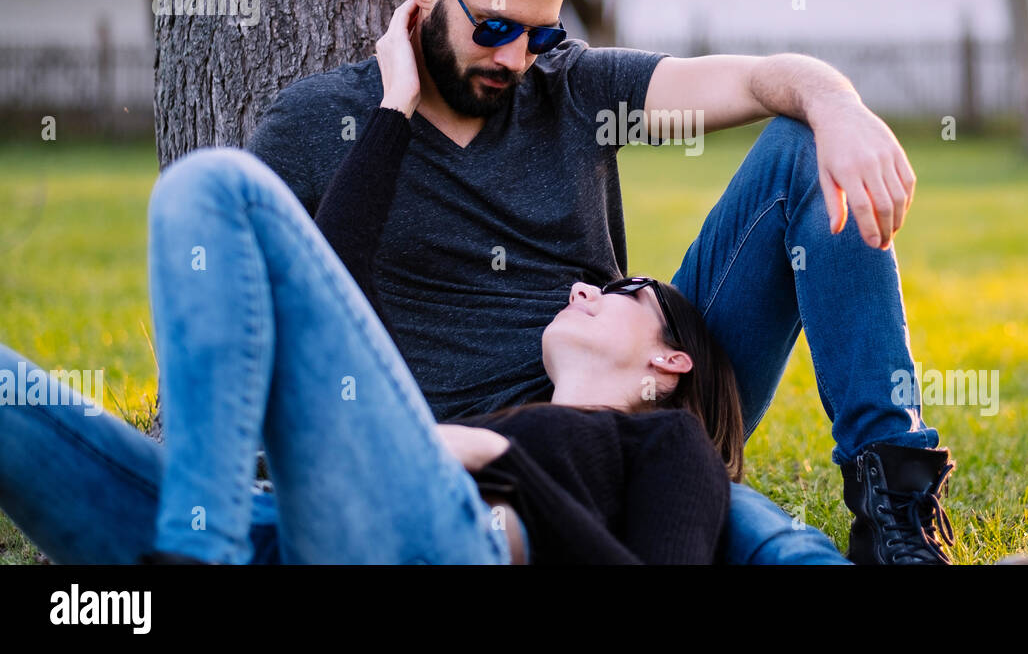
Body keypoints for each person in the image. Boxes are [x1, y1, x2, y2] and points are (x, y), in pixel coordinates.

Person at [246, 0, 957, 565]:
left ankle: (894, 510)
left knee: (801, 145)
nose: (516, 58)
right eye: (494, 26)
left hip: (638, 406)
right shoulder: (317, 126)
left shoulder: (575, 87)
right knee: (739, 530)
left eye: (540, 34)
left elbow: (754, 78)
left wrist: (836, 105)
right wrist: (391, 114)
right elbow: (273, 317)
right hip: (477, 459)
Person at [0, 29, 743, 562]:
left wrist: (495, 462)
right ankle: (204, 541)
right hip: (279, 528)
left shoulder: (669, 444)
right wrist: (395, 108)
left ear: (671, 362)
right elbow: (329, 294)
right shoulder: (498, 419)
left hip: (439, 538)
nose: (586, 284)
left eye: (623, 291)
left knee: (216, 184)